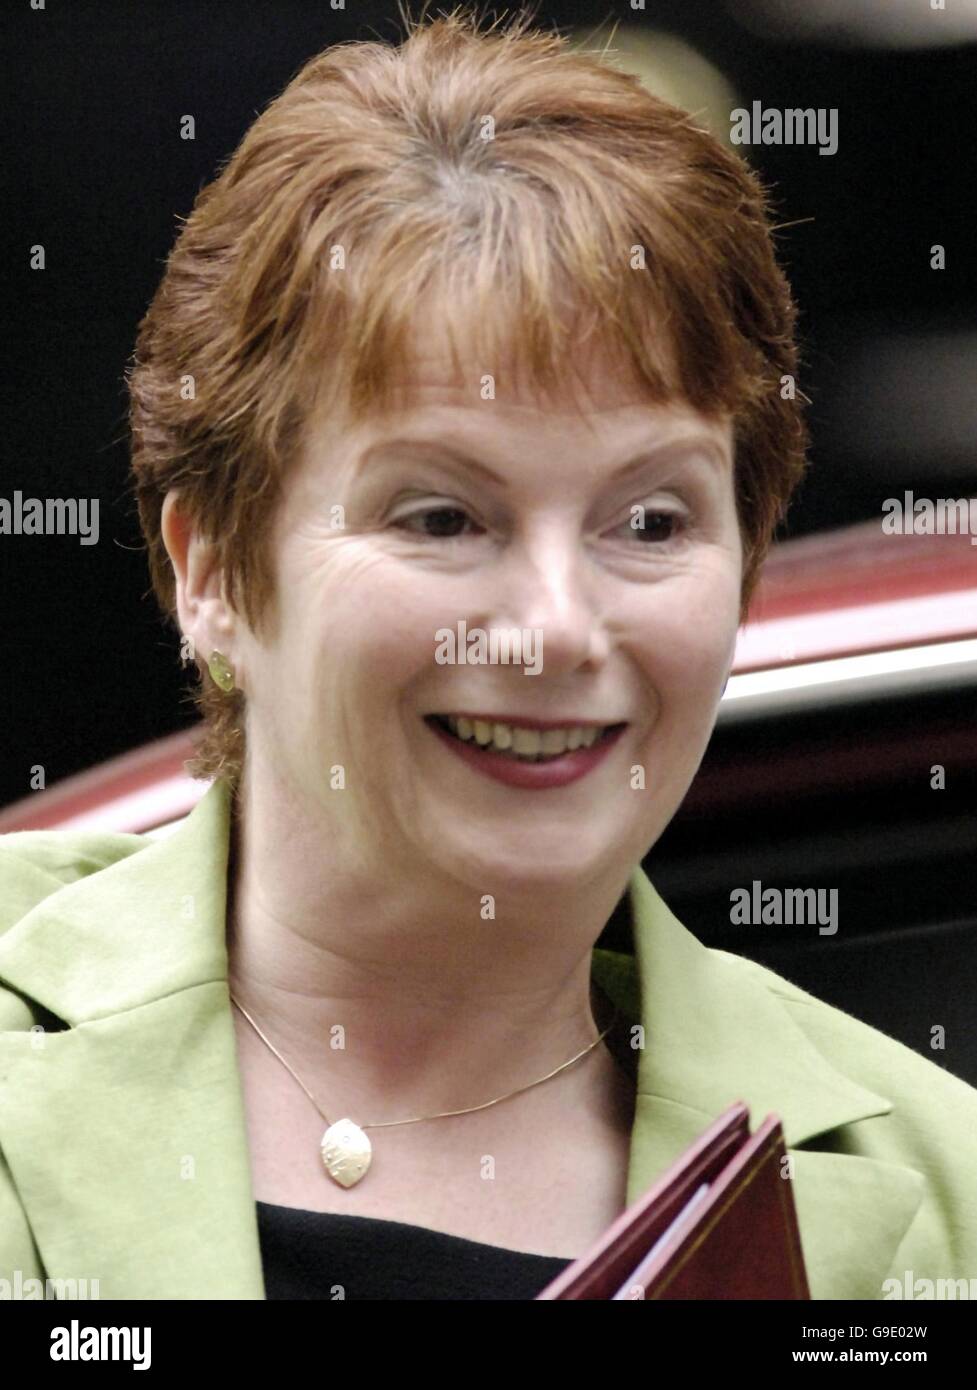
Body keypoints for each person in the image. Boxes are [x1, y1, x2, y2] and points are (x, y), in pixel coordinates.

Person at [1, 8, 975, 1302]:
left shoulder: (940, 1196)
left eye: (649, 520)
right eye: (443, 516)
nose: (558, 626)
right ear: (213, 570)